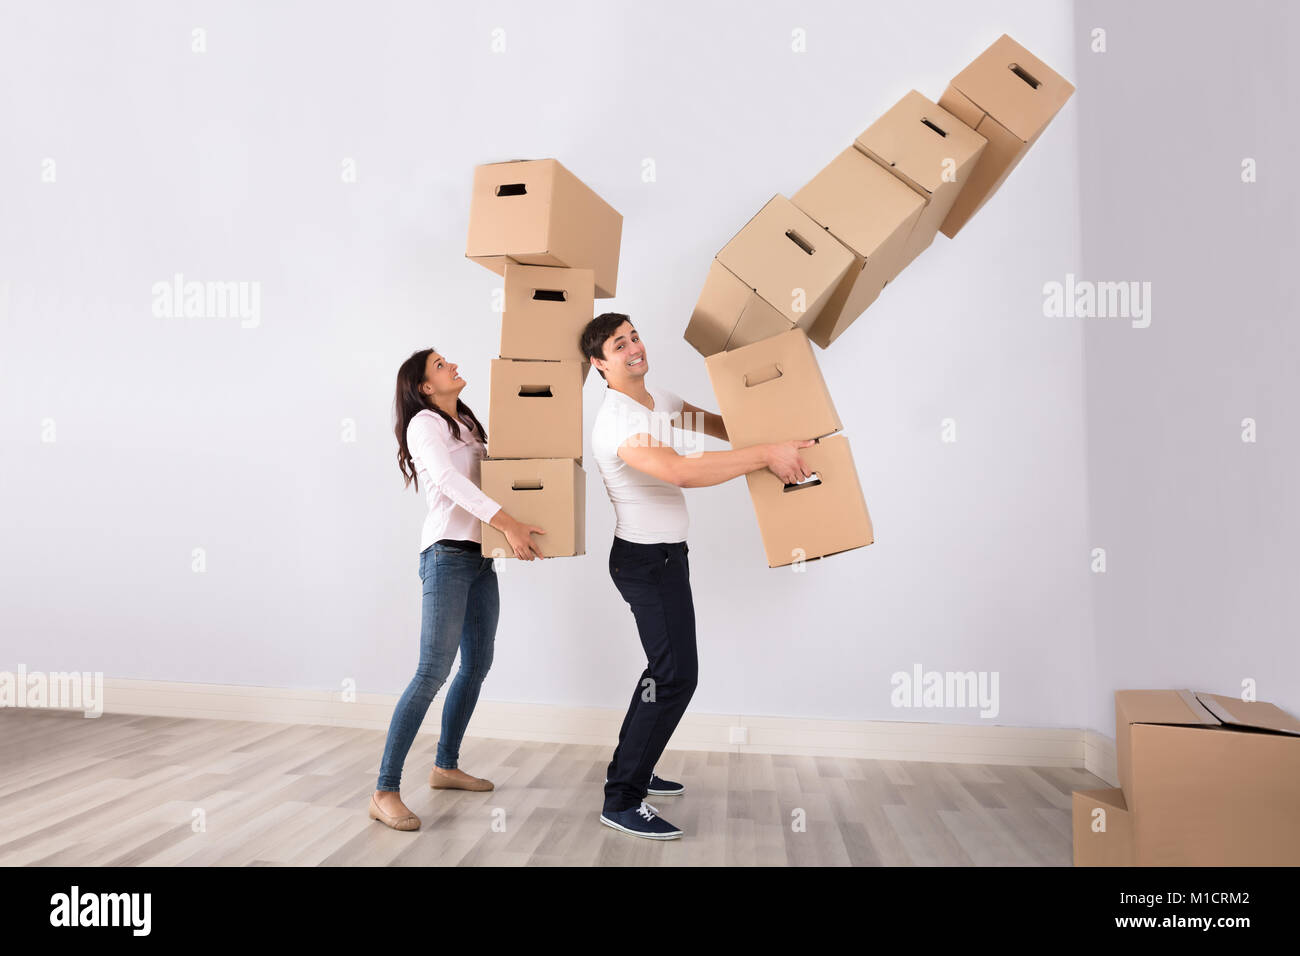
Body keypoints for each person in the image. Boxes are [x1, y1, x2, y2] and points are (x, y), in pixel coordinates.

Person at [580, 313, 815, 840]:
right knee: (675, 676)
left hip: (666, 558)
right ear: (599, 364)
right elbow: (683, 471)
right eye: (620, 345)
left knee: (663, 673)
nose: (635, 347)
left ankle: (634, 767)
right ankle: (621, 798)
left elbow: (703, 420)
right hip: (644, 563)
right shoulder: (617, 421)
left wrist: (770, 435)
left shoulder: (653, 397)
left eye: (635, 335)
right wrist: (763, 456)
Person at [369, 347, 545, 832]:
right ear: (425, 386)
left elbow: (493, 480)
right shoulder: (424, 424)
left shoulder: (465, 422)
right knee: (431, 672)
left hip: (480, 557)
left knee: (478, 663)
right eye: (441, 365)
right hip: (446, 555)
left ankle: (445, 766)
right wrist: (509, 522)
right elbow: (447, 481)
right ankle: (384, 790)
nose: (453, 366)